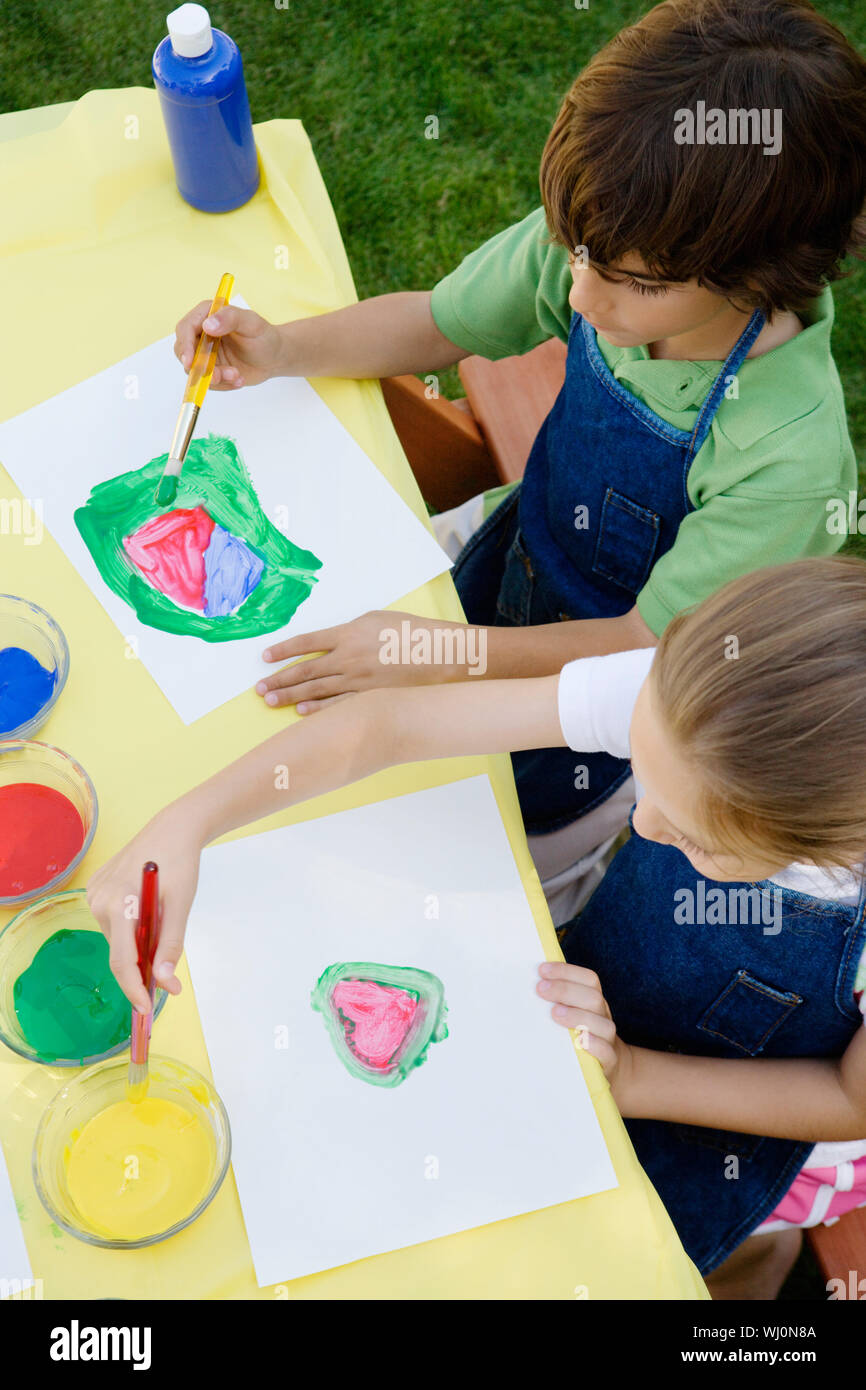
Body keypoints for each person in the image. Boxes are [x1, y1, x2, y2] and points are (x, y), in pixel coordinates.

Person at [172, 0, 866, 922]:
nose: (581, 292)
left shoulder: (786, 463)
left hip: (595, 725)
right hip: (511, 562)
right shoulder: (612, 244)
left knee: (489, 860)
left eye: (638, 284)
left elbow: (640, 655)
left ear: (762, 274)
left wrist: (437, 654)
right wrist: (284, 348)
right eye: (579, 254)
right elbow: (440, 322)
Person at [88, 555, 866, 1298]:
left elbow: (845, 1094)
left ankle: (755, 1268)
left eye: (694, 838)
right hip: (607, 1017)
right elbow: (385, 728)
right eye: (642, 778)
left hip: (754, 1121)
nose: (640, 821)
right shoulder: (686, 701)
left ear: (825, 845)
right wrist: (183, 828)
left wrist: (632, 1077)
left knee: (713, 1239)